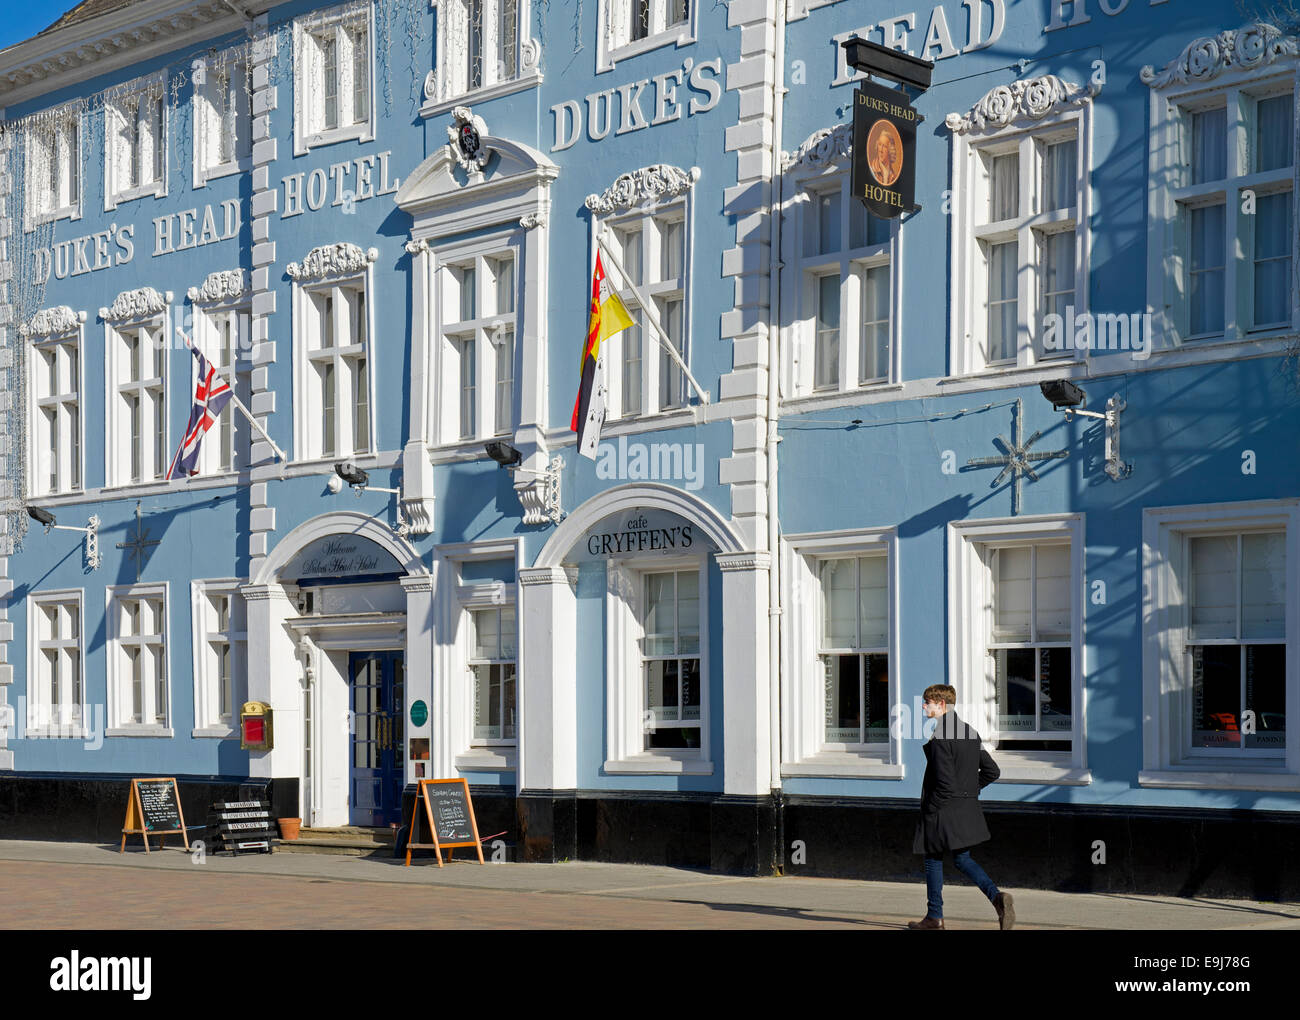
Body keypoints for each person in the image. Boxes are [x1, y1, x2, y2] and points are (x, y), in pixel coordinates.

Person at [908, 684, 1014, 930]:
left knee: (933, 858)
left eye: (927, 702)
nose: (924, 706)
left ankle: (935, 917)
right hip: (964, 809)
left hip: (942, 811)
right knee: (962, 859)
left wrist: (931, 809)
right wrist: (970, 791)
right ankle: (997, 898)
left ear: (942, 705)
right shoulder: (969, 732)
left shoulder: (941, 738)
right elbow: (992, 771)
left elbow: (945, 783)